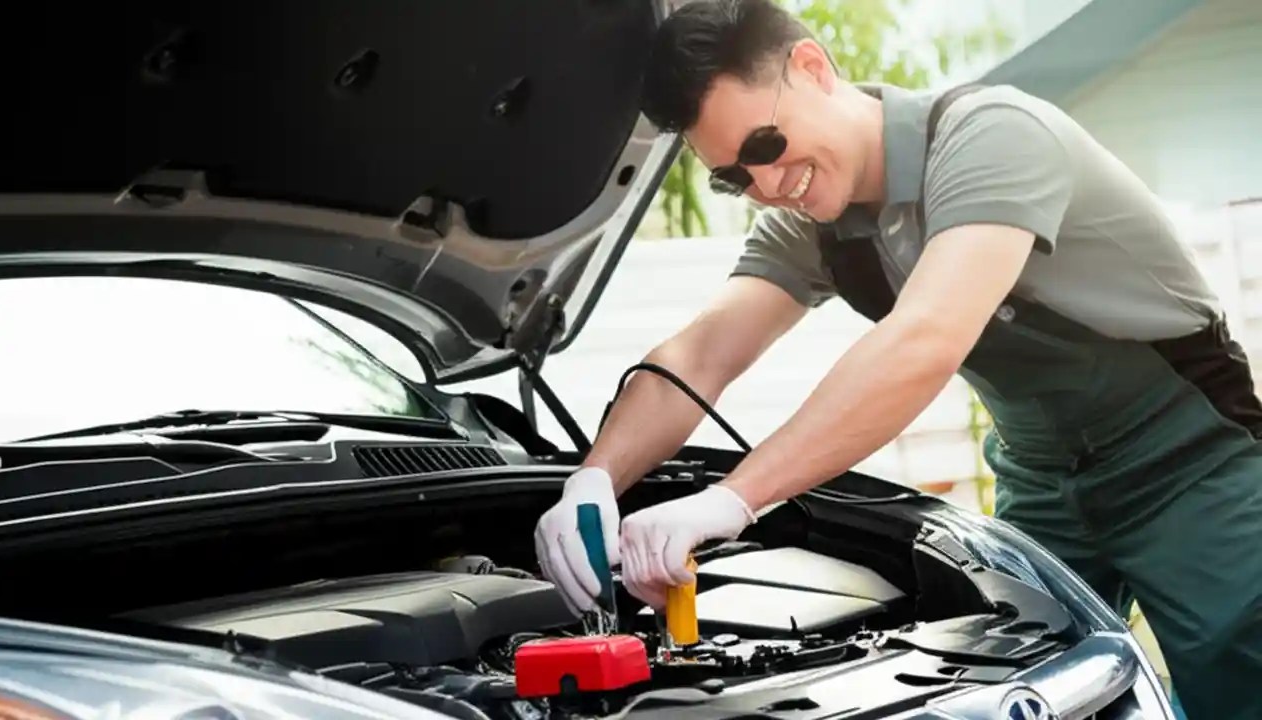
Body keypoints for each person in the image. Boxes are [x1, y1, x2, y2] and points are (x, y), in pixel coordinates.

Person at [532, 0, 1262, 716]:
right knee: (1013, 683)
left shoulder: (990, 137)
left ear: (813, 68)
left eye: (764, 147)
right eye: (735, 178)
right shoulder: (811, 224)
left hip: (1191, 461)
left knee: (1238, 679)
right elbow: (701, 351)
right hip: (1042, 478)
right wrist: (595, 478)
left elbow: (924, 341)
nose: (768, 187)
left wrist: (733, 498)